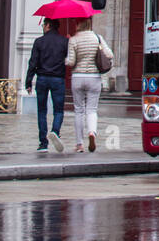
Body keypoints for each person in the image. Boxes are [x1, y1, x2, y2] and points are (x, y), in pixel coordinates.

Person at [66, 18, 114, 152]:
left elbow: (71, 62)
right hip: (94, 77)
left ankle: (79, 144)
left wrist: (67, 54)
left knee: (79, 110)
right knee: (92, 109)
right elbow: (109, 54)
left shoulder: (73, 40)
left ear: (78, 24)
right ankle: (92, 132)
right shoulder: (97, 38)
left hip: (78, 77)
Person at [25, 18, 68, 152]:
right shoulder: (64, 41)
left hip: (42, 78)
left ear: (48, 25)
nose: (43, 27)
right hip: (58, 79)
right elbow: (69, 59)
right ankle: (55, 131)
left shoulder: (39, 41)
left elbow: (33, 62)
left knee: (42, 111)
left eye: (44, 25)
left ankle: (43, 143)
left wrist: (28, 81)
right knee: (59, 110)